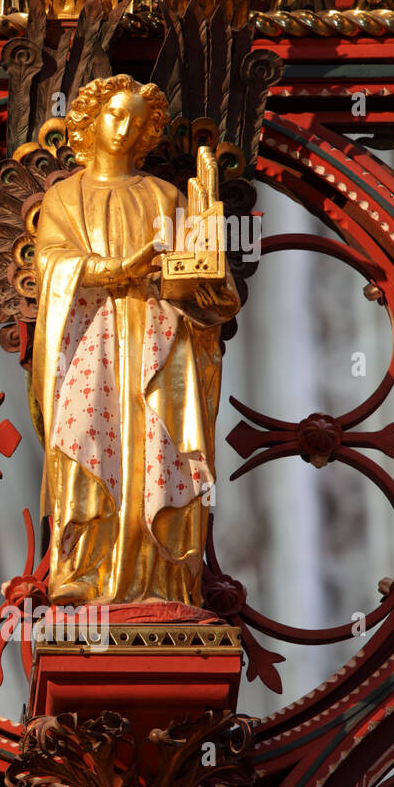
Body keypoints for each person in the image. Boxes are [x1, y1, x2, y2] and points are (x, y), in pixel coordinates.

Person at [30, 75, 241, 607]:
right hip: (92, 339)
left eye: (136, 120)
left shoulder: (163, 195)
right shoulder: (65, 196)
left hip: (156, 336)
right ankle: (82, 567)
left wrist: (196, 268)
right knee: (82, 444)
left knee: (160, 450)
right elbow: (53, 263)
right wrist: (119, 267)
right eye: (113, 115)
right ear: (90, 121)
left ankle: (163, 573)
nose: (124, 129)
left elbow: (201, 276)